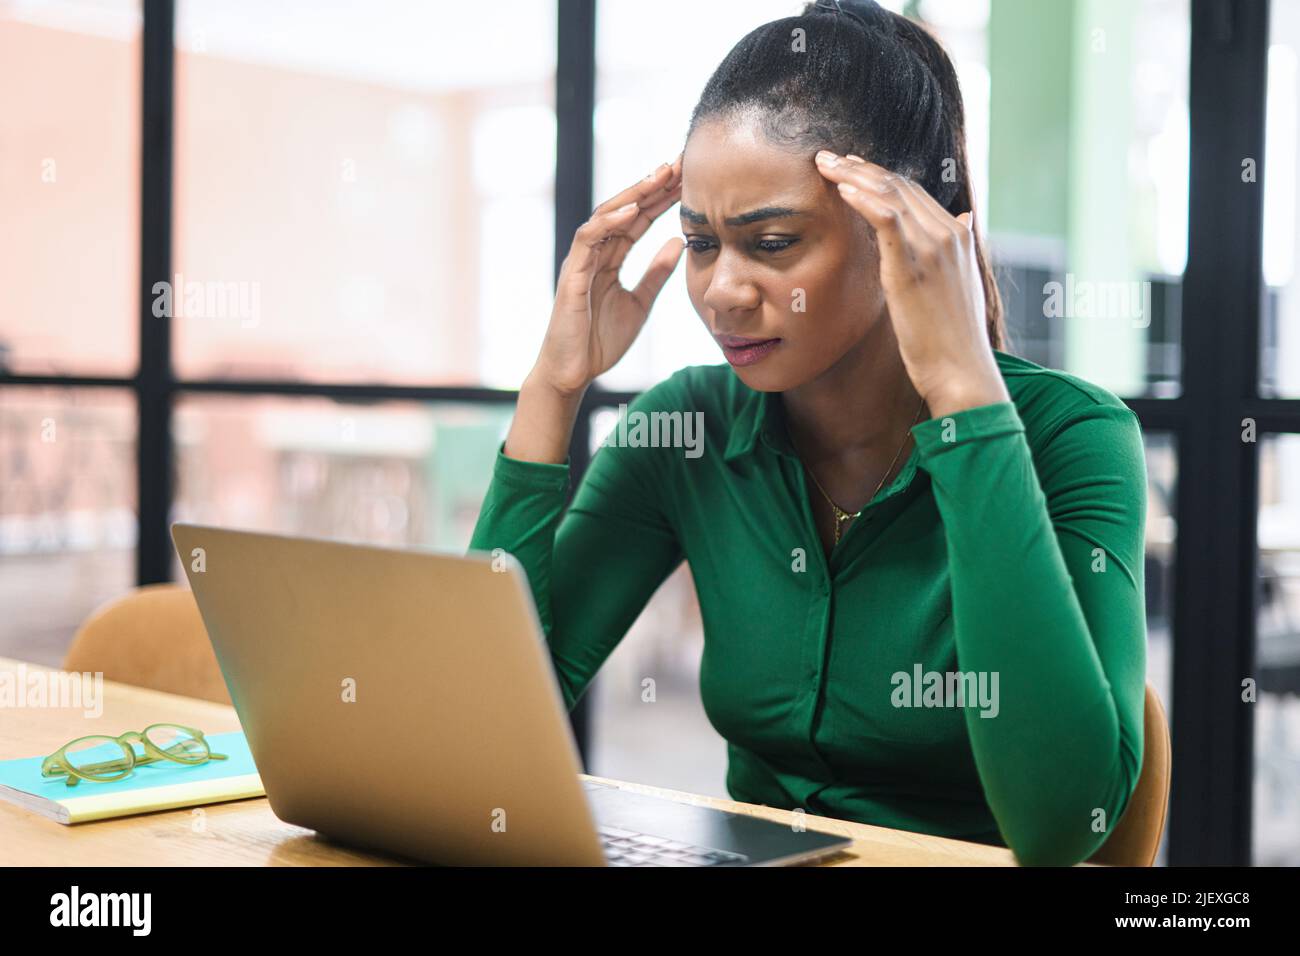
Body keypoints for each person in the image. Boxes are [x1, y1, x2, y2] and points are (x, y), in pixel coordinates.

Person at [469, 0, 1147, 867]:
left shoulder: (1073, 437)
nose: (722, 290)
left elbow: (1062, 826)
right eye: (702, 243)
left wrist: (964, 393)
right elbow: (487, 724)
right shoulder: (689, 429)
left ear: (907, 232)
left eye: (774, 242)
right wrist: (553, 385)